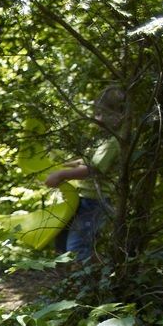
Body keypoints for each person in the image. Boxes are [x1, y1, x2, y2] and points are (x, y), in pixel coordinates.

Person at [45, 86, 126, 262]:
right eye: (97, 112)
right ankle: (77, 280)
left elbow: (93, 169)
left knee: (78, 248)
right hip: (81, 199)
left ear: (121, 115)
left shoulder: (112, 142)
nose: (99, 118)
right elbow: (87, 160)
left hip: (94, 201)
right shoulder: (103, 138)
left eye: (105, 113)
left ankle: (97, 281)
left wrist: (62, 174)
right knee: (62, 242)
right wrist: (66, 164)